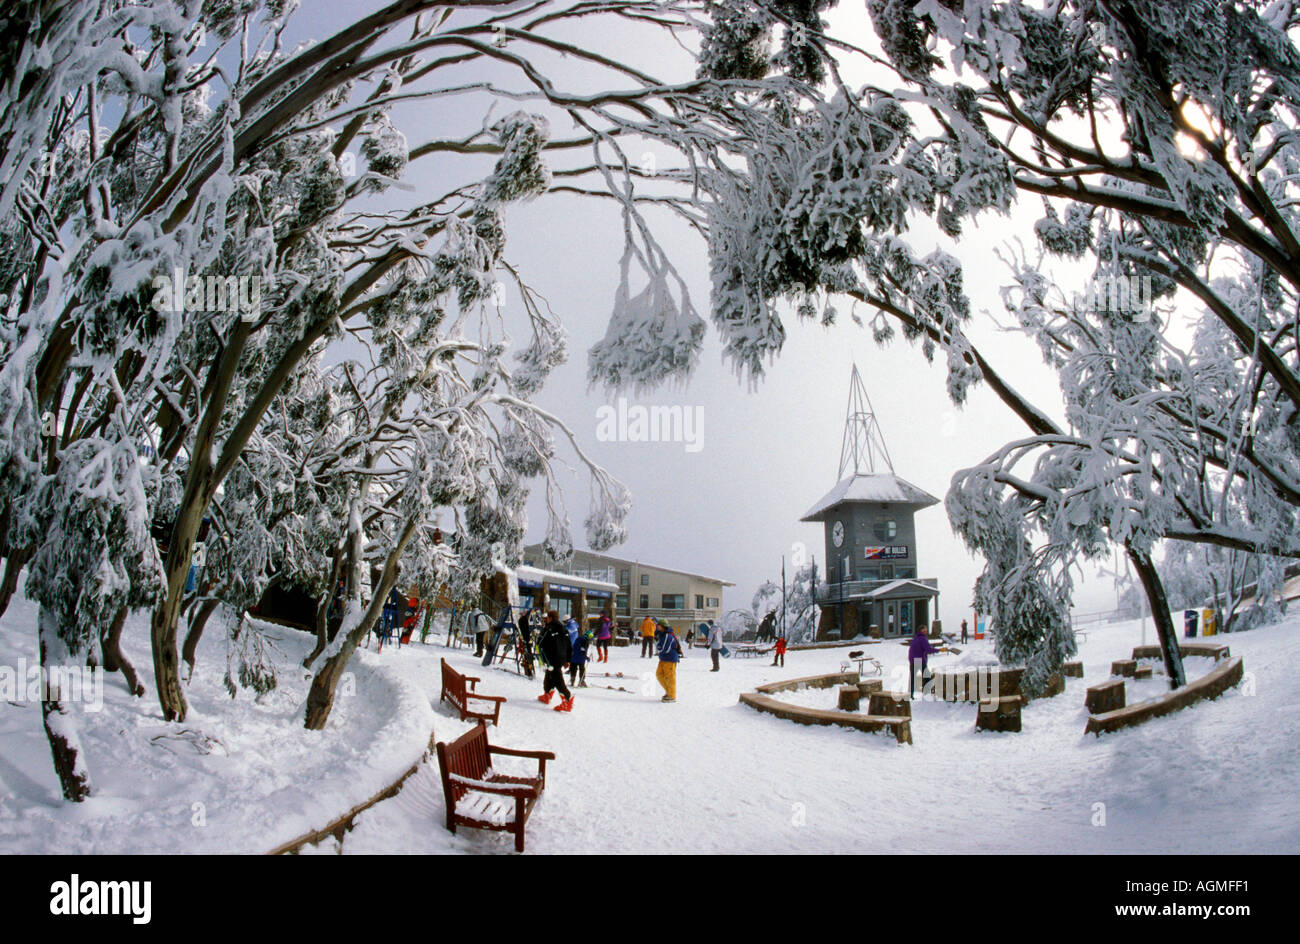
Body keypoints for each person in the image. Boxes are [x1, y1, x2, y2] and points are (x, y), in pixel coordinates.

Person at [537, 610, 575, 711]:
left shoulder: (548, 629)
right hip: (561, 658)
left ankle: (567, 699)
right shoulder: (563, 629)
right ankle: (547, 694)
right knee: (549, 675)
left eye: (547, 618)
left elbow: (540, 642)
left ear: (550, 618)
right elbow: (569, 645)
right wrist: (568, 660)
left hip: (552, 658)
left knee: (557, 678)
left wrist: (541, 656)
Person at [908, 624, 942, 699]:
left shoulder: (915, 638)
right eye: (925, 629)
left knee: (912, 679)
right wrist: (938, 650)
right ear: (922, 631)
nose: (926, 631)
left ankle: (910, 695)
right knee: (927, 677)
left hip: (912, 661)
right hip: (919, 660)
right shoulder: (923, 638)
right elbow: (928, 649)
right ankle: (926, 694)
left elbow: (912, 651)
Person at [655, 621, 681, 702]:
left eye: (658, 625)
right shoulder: (662, 634)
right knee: (659, 674)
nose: (657, 626)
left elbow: (663, 648)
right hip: (663, 658)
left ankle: (672, 696)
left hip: (670, 659)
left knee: (670, 677)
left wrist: (658, 647)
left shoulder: (667, 636)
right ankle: (669, 691)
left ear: (662, 626)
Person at [569, 624, 590, 688]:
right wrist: (586, 657)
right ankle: (582, 681)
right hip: (581, 658)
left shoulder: (578, 638)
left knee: (573, 669)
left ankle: (572, 679)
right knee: (582, 669)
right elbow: (583, 649)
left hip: (573, 657)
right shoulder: (585, 641)